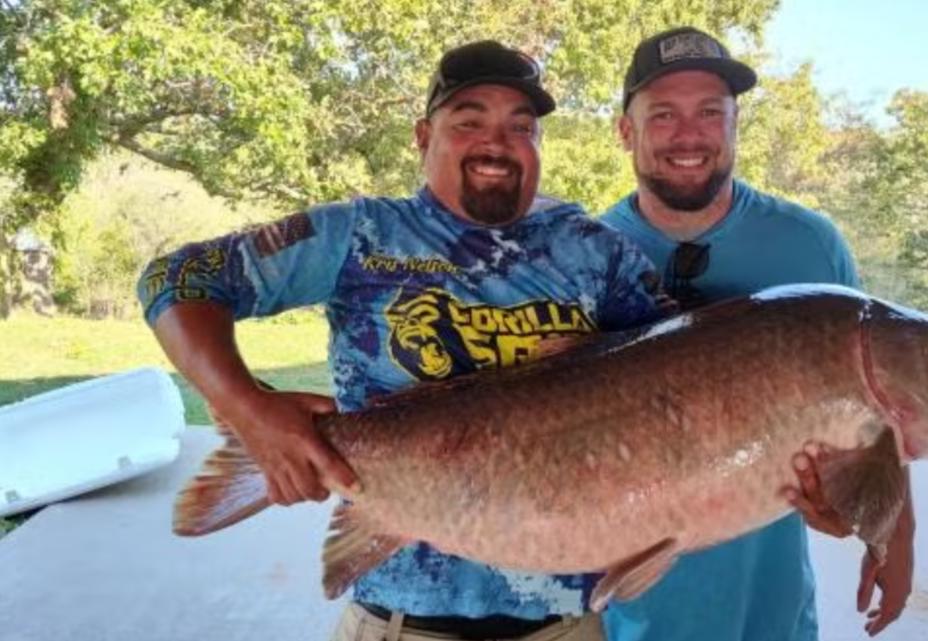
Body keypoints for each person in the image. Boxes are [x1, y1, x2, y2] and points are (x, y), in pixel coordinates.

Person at [137, 40, 667, 641]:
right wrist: (249, 410)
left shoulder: (596, 252)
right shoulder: (361, 234)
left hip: (564, 626)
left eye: (520, 127)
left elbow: (679, 370)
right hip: (398, 623)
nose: (496, 143)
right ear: (422, 135)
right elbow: (174, 280)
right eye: (469, 121)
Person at [598, 27, 916, 641]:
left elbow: (880, 408)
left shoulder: (812, 246)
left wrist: (896, 539)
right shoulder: (583, 253)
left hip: (767, 613)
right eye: (663, 114)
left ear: (735, 123)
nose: (689, 135)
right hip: (618, 615)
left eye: (709, 112)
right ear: (625, 131)